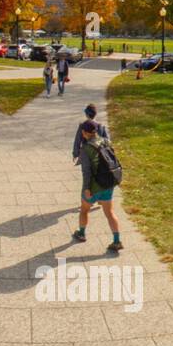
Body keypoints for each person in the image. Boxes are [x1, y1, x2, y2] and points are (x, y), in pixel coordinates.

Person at [70, 106, 123, 254]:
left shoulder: (86, 149)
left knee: (84, 210)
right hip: (108, 183)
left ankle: (81, 233)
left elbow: (86, 172)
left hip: (93, 186)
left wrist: (87, 189)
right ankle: (117, 240)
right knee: (110, 212)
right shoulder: (106, 141)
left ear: (85, 133)